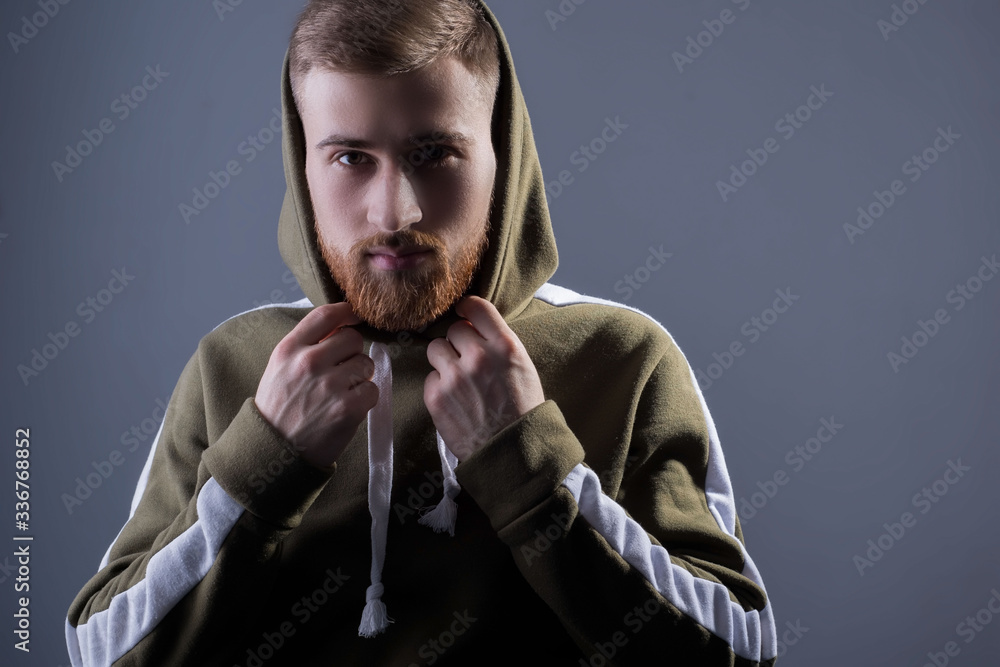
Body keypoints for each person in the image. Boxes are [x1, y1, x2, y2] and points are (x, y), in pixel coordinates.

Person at [66, 1, 778, 664]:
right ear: (302, 166)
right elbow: (101, 650)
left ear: (503, 158)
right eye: (350, 158)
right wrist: (262, 467)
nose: (395, 210)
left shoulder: (624, 356)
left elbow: (745, 649)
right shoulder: (237, 365)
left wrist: (530, 467)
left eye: (434, 153)